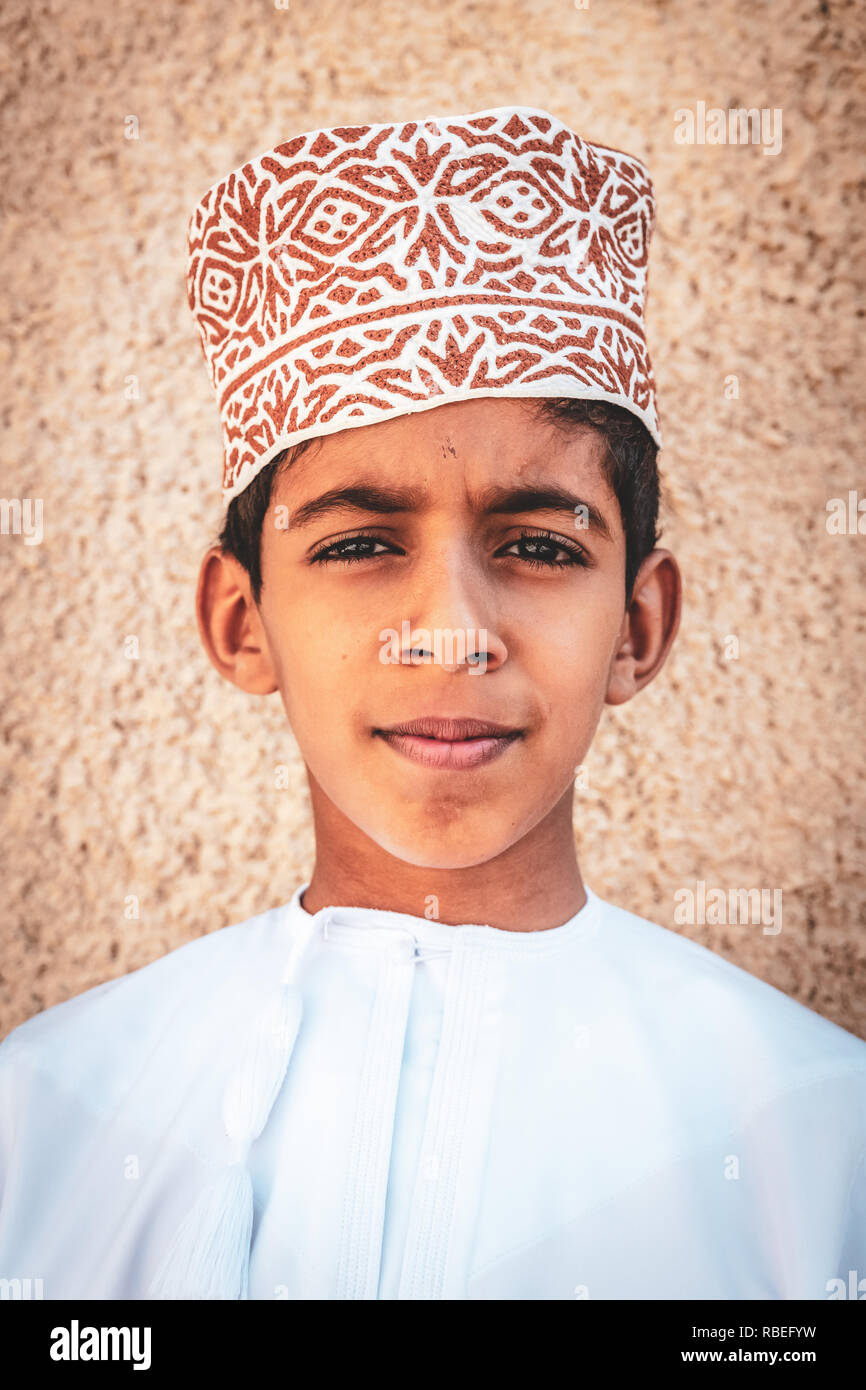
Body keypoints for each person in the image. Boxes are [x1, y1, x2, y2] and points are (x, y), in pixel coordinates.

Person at [0, 104, 863, 1301]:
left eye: (539, 548)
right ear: (242, 622)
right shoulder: (43, 1116)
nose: (450, 633)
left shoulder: (816, 1139)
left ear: (639, 625)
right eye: (359, 544)